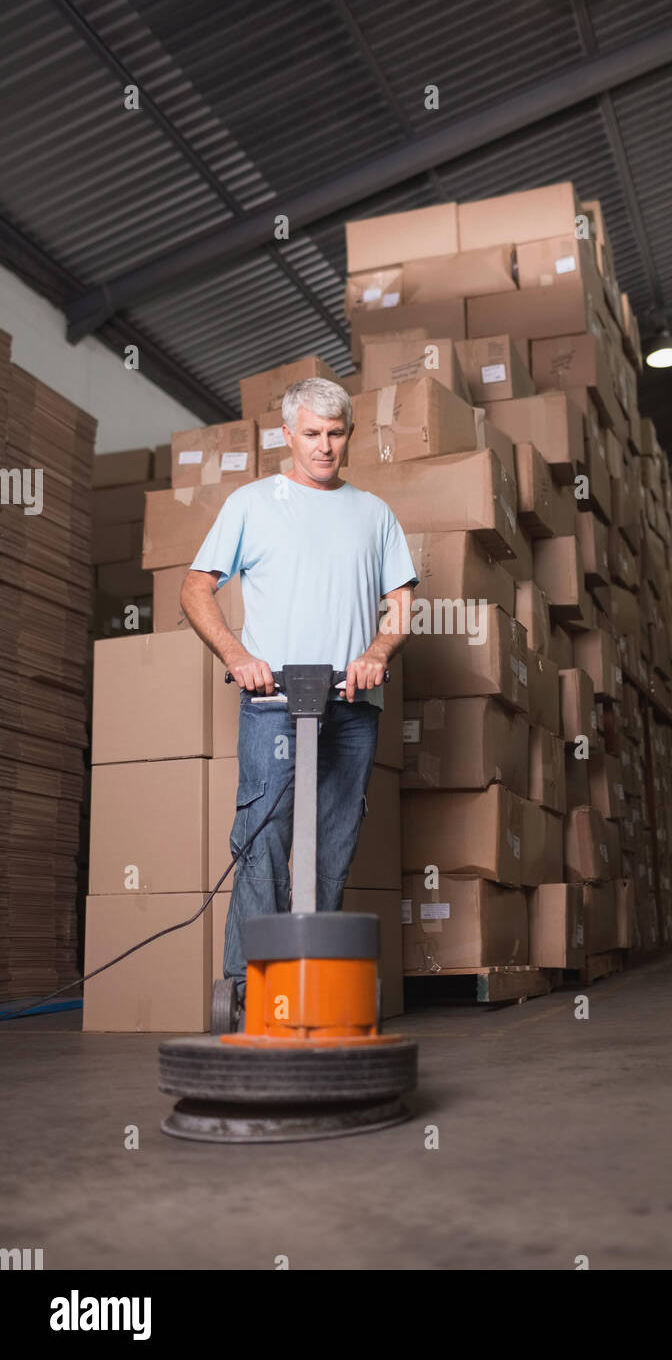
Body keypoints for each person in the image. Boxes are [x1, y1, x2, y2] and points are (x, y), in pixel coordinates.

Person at [180, 376, 417, 1000]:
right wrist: (237, 653)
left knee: (334, 846)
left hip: (351, 703)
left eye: (336, 434)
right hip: (273, 702)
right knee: (263, 839)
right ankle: (252, 987)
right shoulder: (252, 504)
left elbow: (402, 603)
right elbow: (196, 587)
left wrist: (376, 651)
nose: (325, 446)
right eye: (311, 434)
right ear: (287, 435)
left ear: (350, 434)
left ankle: (317, 989)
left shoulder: (375, 514)